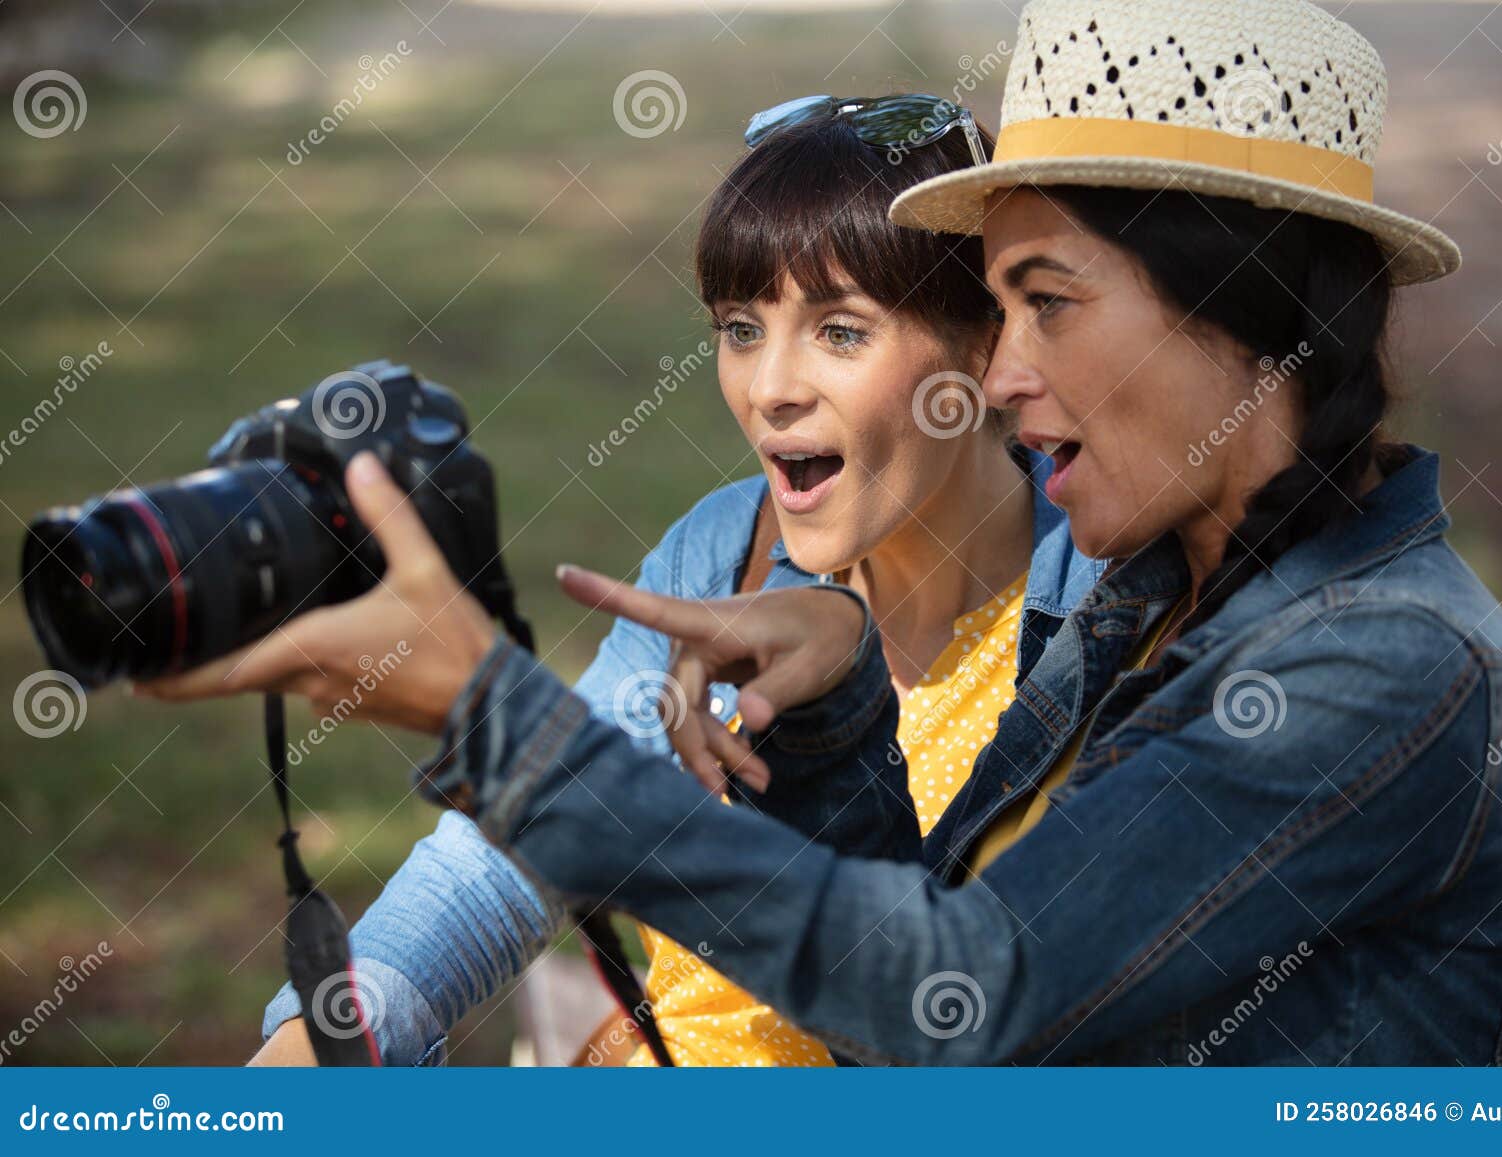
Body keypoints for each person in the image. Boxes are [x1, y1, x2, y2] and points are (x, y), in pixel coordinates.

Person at [148, 0, 1502, 1064]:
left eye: (1047, 301)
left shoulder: (1368, 658)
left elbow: (971, 992)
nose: (1008, 371)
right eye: (737, 326)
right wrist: (843, 711)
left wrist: (506, 730)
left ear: (1234, 308)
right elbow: (944, 982)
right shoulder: (1165, 588)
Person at [247, 95, 1104, 1067]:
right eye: (741, 327)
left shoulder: (1100, 600)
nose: (769, 386)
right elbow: (509, 859)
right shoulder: (725, 549)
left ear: (984, 345)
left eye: (840, 331)